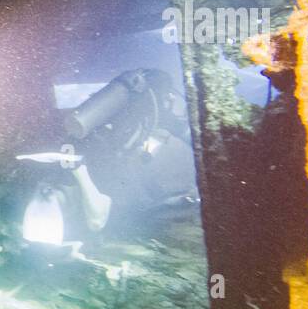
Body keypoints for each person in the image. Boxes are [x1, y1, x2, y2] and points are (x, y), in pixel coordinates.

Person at [17, 67, 197, 251]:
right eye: (168, 96)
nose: (170, 100)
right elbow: (96, 222)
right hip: (99, 162)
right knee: (98, 215)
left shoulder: (133, 109)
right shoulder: (146, 111)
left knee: (85, 204)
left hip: (90, 160)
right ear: (164, 96)